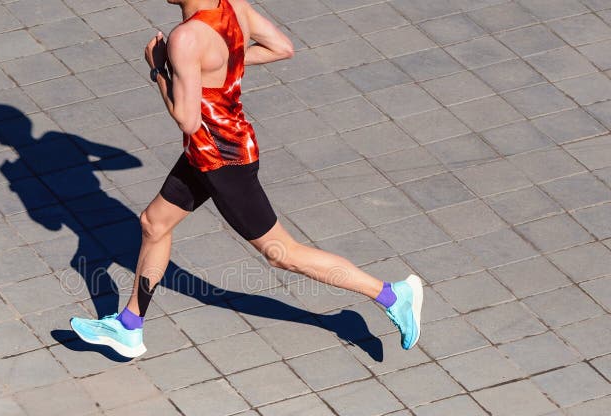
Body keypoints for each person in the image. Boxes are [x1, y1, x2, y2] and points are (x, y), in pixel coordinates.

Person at [70, 0, 423, 358]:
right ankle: (129, 326)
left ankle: (392, 294)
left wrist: (161, 71)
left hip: (222, 161)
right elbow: (281, 48)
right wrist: (217, 64)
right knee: (154, 223)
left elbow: (187, 120)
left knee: (282, 254)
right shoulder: (234, 6)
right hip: (213, 149)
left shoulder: (185, 39)